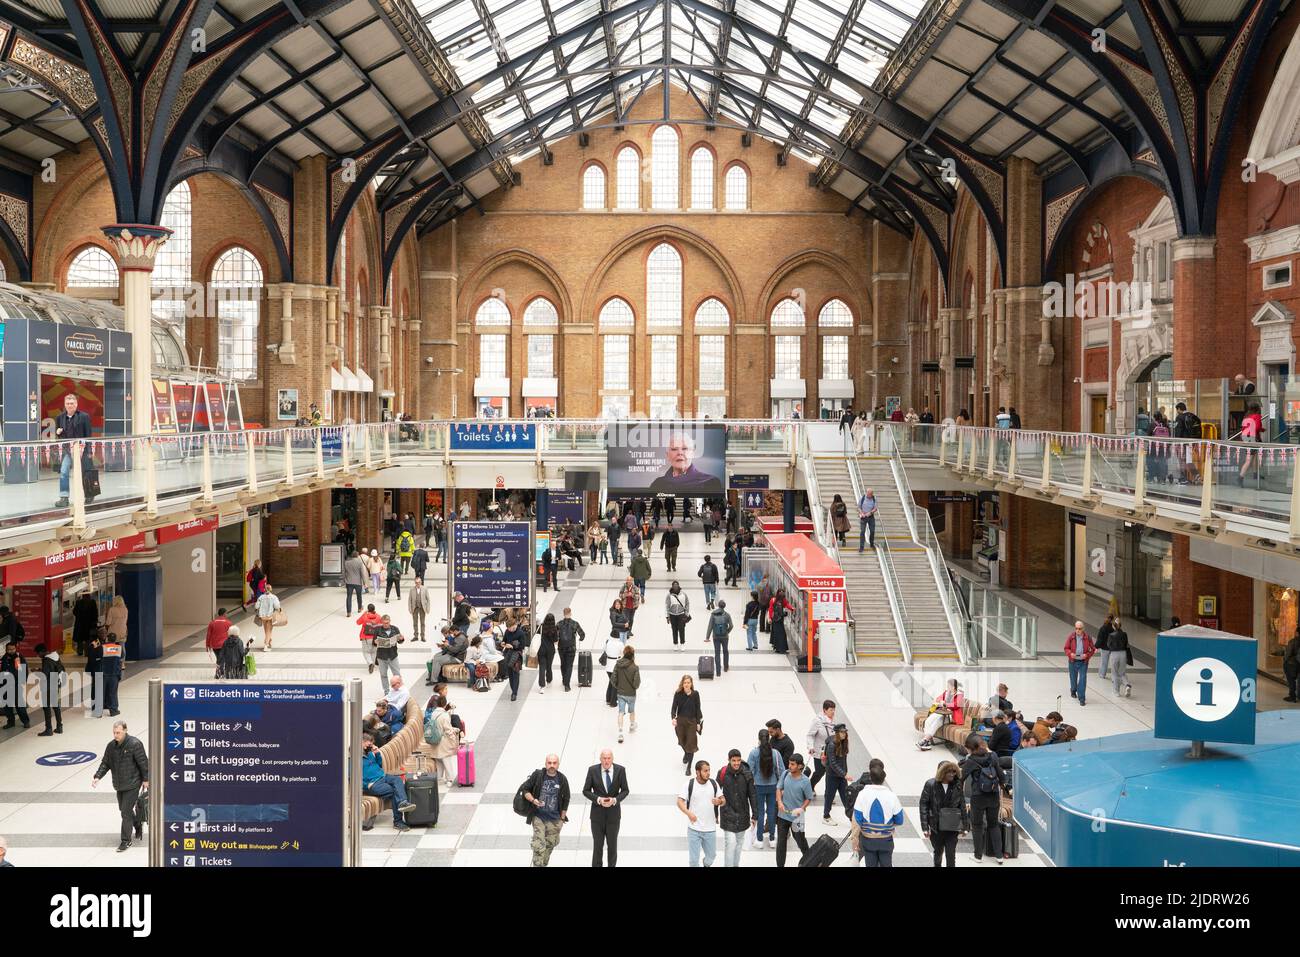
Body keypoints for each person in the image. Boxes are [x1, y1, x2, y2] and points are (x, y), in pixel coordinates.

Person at [91, 720, 149, 851]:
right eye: (114, 733)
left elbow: (143, 763)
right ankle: (137, 824)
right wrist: (97, 776)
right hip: (119, 785)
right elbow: (105, 763)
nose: (115, 735)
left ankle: (126, 841)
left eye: (118, 732)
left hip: (133, 783)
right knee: (123, 810)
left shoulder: (135, 744)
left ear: (125, 730)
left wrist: (146, 779)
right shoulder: (111, 746)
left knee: (126, 813)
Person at [961, 733, 1008, 863]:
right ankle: (999, 856)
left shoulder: (971, 761)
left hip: (978, 797)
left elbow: (961, 778)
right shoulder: (993, 756)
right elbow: (1001, 775)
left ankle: (978, 856)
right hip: (993, 796)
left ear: (971, 748)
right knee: (994, 825)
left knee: (977, 826)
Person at [582, 749, 629, 868]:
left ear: (612, 759)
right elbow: (586, 790)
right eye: (604, 758)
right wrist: (598, 799)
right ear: (600, 759)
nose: (606, 761)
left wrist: (615, 800)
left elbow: (625, 790)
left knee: (612, 846)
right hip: (597, 817)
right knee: (597, 846)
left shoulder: (620, 770)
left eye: (609, 758)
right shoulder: (592, 770)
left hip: (613, 816)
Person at [521, 754, 571, 867]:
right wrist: (534, 800)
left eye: (554, 763)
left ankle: (542, 864)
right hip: (539, 816)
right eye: (549, 763)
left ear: (558, 764)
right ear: (545, 763)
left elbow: (566, 799)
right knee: (539, 845)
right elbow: (525, 790)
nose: (552, 765)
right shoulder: (538, 775)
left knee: (549, 845)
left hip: (555, 819)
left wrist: (562, 819)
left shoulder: (562, 779)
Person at [853, 763, 905, 867]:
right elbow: (900, 820)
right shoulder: (891, 796)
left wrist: (855, 839)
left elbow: (857, 819)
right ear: (884, 779)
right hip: (886, 840)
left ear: (870, 778)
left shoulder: (862, 794)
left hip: (868, 839)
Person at [360, 732, 415, 831]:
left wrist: (377, 754)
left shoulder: (369, 754)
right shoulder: (353, 759)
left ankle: (403, 802)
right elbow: (353, 777)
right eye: (369, 744)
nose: (370, 746)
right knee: (395, 791)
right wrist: (366, 785)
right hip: (372, 784)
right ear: (362, 743)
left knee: (397, 780)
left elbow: (379, 765)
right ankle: (398, 821)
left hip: (382, 777)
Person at [919, 760, 968, 867]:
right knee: (938, 852)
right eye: (948, 771)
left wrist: (965, 826)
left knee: (951, 855)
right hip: (936, 827)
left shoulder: (957, 785)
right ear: (941, 772)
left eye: (954, 771)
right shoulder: (930, 784)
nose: (952, 774)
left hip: (952, 827)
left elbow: (962, 806)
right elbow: (923, 806)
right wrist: (925, 827)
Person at [677, 759, 724, 867]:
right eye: (705, 771)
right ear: (697, 772)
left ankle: (705, 864)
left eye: (709, 770)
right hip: (694, 829)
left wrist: (720, 801)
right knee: (693, 861)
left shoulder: (713, 783)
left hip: (710, 829)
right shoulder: (689, 784)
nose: (708, 773)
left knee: (711, 856)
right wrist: (688, 813)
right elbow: (679, 801)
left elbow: (723, 800)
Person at [716, 749, 757, 867]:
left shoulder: (747, 773)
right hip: (727, 813)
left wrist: (755, 814)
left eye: (738, 760)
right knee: (730, 844)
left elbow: (752, 795)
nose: (736, 763)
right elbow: (716, 792)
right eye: (733, 760)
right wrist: (715, 813)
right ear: (729, 760)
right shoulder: (723, 773)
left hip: (743, 815)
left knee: (739, 844)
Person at [649, 430, 721, 492]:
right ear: (667, 455)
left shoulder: (710, 482)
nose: (680, 453)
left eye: (684, 448)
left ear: (693, 453)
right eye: (674, 449)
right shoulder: (658, 484)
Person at [54, 393, 92, 507]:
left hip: (82, 450)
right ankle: (64, 498)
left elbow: (88, 435)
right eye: (68, 403)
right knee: (64, 472)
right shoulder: (60, 418)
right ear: (65, 405)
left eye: (72, 403)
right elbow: (59, 435)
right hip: (67, 451)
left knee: (85, 472)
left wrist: (89, 452)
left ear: (76, 404)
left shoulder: (84, 417)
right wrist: (58, 433)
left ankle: (89, 495)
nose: (70, 405)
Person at [775, 753, 813, 867]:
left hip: (797, 818)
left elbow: (808, 798)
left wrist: (801, 809)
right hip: (782, 816)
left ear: (800, 766)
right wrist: (780, 802)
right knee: (781, 843)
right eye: (789, 764)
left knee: (801, 842)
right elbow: (778, 788)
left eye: (792, 764)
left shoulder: (805, 781)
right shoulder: (785, 774)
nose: (789, 766)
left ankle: (810, 862)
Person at [747, 729, 782, 849]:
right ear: (769, 738)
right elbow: (781, 770)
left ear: (758, 739)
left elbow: (749, 772)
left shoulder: (753, 753)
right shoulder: (775, 753)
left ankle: (760, 840)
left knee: (760, 813)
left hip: (759, 787)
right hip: (773, 786)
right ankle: (772, 839)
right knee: (772, 812)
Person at [918, 677, 965, 750]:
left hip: (951, 716)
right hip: (941, 712)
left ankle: (925, 740)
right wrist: (941, 701)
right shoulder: (946, 693)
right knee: (928, 721)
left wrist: (946, 704)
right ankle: (926, 742)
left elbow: (956, 705)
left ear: (953, 687)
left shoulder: (959, 694)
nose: (947, 687)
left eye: (948, 686)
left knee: (936, 723)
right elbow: (938, 698)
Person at [670, 674, 703, 774]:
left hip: (692, 722)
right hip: (680, 721)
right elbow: (674, 707)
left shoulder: (695, 694)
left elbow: (698, 708)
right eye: (685, 683)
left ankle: (689, 767)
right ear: (682, 683)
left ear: (691, 683)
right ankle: (686, 753)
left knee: (691, 743)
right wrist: (673, 718)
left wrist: (698, 722)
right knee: (682, 740)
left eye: (688, 682)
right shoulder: (678, 693)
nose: (686, 684)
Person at [821, 723, 853, 823]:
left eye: (845, 732)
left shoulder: (843, 743)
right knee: (829, 796)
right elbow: (832, 763)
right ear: (837, 733)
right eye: (842, 732)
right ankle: (826, 816)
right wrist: (844, 774)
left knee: (846, 797)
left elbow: (843, 761)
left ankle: (852, 818)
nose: (844, 734)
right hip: (832, 776)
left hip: (841, 776)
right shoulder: (832, 745)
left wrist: (844, 773)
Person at [32, 643, 64, 736]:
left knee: (46, 707)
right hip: (56, 683)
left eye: (38, 654)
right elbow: (56, 669)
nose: (38, 656)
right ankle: (59, 727)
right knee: (56, 706)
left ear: (42, 652)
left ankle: (48, 729)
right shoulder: (55, 656)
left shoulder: (46, 660)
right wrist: (38, 669)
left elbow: (45, 674)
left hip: (48, 686)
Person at [806, 699, 837, 795]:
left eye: (834, 709)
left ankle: (828, 794)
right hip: (819, 752)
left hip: (831, 752)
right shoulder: (817, 721)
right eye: (831, 710)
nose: (833, 712)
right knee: (820, 772)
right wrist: (810, 747)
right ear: (824, 710)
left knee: (830, 773)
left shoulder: (833, 721)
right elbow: (810, 735)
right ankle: (810, 785)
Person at [612, 645, 640, 743]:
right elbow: (636, 683)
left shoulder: (618, 664)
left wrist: (618, 687)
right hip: (631, 694)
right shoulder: (635, 667)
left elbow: (613, 679)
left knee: (620, 712)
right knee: (631, 711)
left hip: (621, 693)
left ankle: (620, 732)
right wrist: (633, 687)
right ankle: (632, 725)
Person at [1065, 620, 1095, 706]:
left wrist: (1087, 655)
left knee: (1082, 679)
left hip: (1083, 662)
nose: (1078, 630)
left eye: (1079, 628)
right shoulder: (1071, 637)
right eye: (1076, 628)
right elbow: (1066, 648)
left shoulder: (1087, 637)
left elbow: (1093, 649)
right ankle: (1073, 690)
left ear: (1083, 629)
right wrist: (1070, 654)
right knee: (1073, 678)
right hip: (1073, 661)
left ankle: (1082, 698)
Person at [371, 614, 404, 693]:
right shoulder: (377, 630)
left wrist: (401, 639)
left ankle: (399, 689)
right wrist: (375, 642)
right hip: (382, 657)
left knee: (397, 674)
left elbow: (400, 641)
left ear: (390, 622)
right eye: (384, 623)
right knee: (383, 675)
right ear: (382, 622)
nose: (386, 624)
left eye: (387, 623)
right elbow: (374, 643)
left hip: (393, 656)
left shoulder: (395, 629)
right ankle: (386, 691)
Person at [0, 639, 29, 729]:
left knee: (19, 704)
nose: (11, 651)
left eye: (12, 649)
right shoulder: (3, 658)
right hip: (5, 685)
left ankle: (25, 721)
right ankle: (10, 721)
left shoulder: (19, 658)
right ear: (6, 650)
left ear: (16, 648)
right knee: (7, 705)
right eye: (9, 649)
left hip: (16, 684)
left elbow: (24, 671)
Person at [555, 607, 585, 692]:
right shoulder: (575, 624)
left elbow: (555, 635)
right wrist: (580, 639)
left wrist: (557, 640)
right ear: (570, 613)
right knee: (569, 665)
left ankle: (564, 679)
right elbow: (582, 634)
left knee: (563, 664)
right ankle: (567, 685)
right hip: (571, 648)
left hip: (561, 647)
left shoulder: (559, 624)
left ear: (564, 614)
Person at [98, 631, 124, 716]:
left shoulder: (103, 647)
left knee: (101, 692)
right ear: (115, 639)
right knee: (112, 692)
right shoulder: (119, 648)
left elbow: (98, 657)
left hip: (103, 674)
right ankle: (113, 710)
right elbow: (121, 659)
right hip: (114, 674)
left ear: (107, 639)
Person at [501, 616, 527, 702]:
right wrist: (503, 643)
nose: (510, 630)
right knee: (510, 673)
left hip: (517, 655)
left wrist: (512, 646)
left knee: (515, 673)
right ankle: (513, 689)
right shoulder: (507, 631)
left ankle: (514, 693)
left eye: (511, 628)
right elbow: (504, 640)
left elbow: (522, 646)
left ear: (515, 625)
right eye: (508, 629)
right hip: (508, 654)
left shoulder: (520, 633)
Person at [602, 621, 625, 709]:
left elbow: (604, 650)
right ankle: (613, 702)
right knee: (615, 684)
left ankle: (608, 699)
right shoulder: (620, 644)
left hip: (608, 665)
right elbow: (623, 653)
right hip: (616, 665)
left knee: (611, 682)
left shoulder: (608, 642)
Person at [707, 599, 734, 673]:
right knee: (725, 651)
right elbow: (731, 626)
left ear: (718, 605)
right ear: (724, 606)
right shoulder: (727, 615)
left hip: (716, 636)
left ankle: (718, 671)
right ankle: (726, 667)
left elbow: (710, 626)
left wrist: (707, 637)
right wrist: (727, 632)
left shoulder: (713, 614)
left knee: (717, 653)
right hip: (725, 637)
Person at [1109, 617, 1132, 697]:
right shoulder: (1124, 634)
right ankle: (1127, 684)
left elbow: (1109, 645)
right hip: (1123, 654)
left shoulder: (1111, 635)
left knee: (1114, 673)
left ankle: (1116, 692)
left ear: (1113, 626)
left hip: (1114, 654)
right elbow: (1126, 644)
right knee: (1122, 672)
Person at [536, 612, 559, 692]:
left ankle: (542, 685)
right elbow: (556, 641)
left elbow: (536, 636)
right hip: (550, 650)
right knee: (549, 666)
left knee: (542, 667)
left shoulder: (541, 626)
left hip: (541, 649)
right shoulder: (554, 629)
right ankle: (549, 679)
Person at [71, 592, 99, 657]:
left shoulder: (78, 602)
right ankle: (87, 652)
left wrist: (79, 617)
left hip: (80, 624)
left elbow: (74, 612)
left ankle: (80, 651)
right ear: (89, 596)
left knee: (80, 639)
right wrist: (95, 621)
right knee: (89, 639)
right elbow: (95, 613)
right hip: (90, 624)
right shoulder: (92, 602)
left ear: (83, 596)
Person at [254, 583, 280, 650]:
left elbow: (256, 606)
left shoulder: (261, 597)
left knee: (266, 630)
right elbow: (277, 606)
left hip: (262, 616)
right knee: (269, 630)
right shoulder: (274, 597)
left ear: (264, 589)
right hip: (270, 616)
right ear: (271, 589)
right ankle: (266, 645)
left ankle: (269, 641)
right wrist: (279, 610)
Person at [665, 580, 690, 648]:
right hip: (672, 614)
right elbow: (667, 605)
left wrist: (686, 613)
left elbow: (687, 603)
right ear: (672, 586)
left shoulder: (683, 594)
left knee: (681, 629)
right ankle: (675, 643)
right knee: (674, 629)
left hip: (681, 614)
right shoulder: (669, 595)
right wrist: (667, 616)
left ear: (678, 586)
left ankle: (682, 643)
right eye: (674, 585)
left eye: (676, 585)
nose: (675, 586)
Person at [769, 588, 794, 654]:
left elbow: (786, 605)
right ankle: (781, 649)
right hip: (778, 620)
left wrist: (791, 608)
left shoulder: (775, 600)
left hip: (775, 620)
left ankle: (777, 648)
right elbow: (772, 609)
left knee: (777, 634)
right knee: (781, 635)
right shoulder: (779, 600)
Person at [343, 549, 367, 615]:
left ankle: (348, 612)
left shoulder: (346, 562)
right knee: (359, 596)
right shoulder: (360, 563)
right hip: (358, 582)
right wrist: (365, 583)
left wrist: (344, 580)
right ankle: (359, 608)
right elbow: (362, 573)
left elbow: (344, 573)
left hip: (349, 582)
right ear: (357, 556)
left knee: (349, 597)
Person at [406, 577, 430, 642]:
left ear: (421, 582)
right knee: (415, 623)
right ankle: (416, 636)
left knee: (422, 623)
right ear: (415, 583)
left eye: (419, 582)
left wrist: (427, 608)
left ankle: (423, 636)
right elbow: (409, 600)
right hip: (415, 608)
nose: (417, 584)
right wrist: (410, 608)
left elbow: (428, 599)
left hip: (422, 608)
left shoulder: (425, 589)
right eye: (416, 582)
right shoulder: (412, 589)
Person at [1096, 614, 1116, 679]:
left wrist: (1096, 646)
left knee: (1104, 662)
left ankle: (1102, 674)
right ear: (1112, 620)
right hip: (1112, 648)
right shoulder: (1113, 629)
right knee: (1113, 663)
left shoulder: (1103, 628)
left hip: (1104, 648)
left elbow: (1100, 639)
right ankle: (1114, 677)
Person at [1283, 628, 1300, 703]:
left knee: (1291, 681)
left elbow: (1288, 654)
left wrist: (1285, 661)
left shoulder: (1293, 641)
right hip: (1298, 664)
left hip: (1291, 664)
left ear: (1297, 633)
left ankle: (1292, 697)